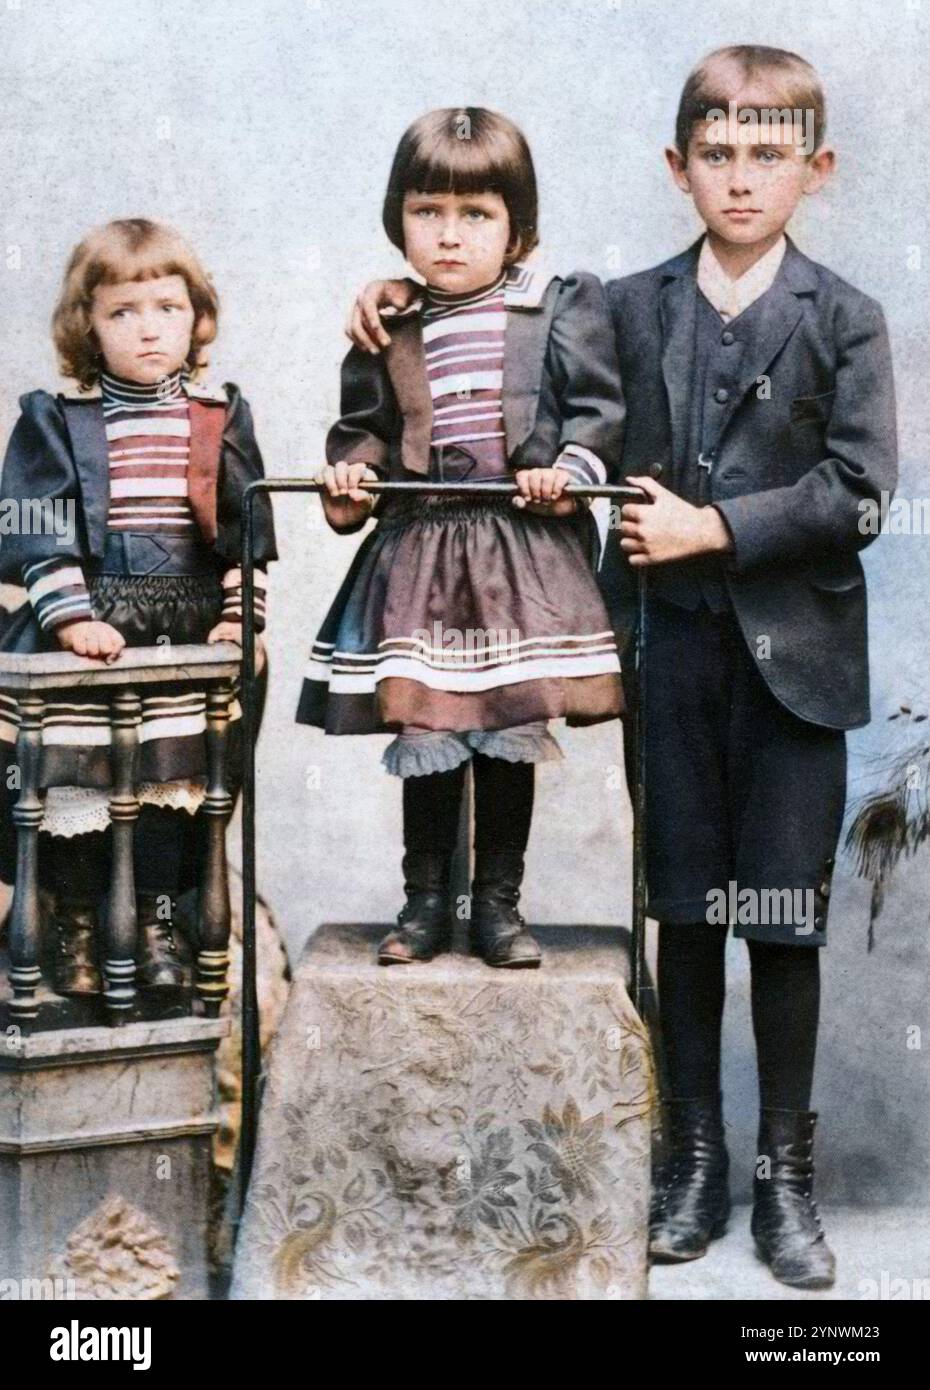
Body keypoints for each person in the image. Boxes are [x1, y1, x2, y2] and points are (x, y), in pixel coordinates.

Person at [343, 51, 898, 1289]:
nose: (742, 179)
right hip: (671, 659)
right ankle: (692, 1165)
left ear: (817, 169)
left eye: (769, 154)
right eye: (718, 153)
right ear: (677, 165)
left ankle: (784, 1184)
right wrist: (391, 299)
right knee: (688, 913)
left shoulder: (847, 315)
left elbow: (864, 494)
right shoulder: (621, 304)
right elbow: (508, 337)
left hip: (795, 669)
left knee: (784, 924)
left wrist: (718, 527)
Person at [297, 107, 625, 970]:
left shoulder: (554, 309)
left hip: (519, 549)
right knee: (432, 726)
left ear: (519, 228)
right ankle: (424, 903)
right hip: (422, 550)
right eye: (427, 213)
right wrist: (353, 474)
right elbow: (363, 426)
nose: (449, 236)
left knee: (507, 723)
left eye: (475, 215)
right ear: (397, 218)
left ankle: (499, 907)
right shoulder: (390, 324)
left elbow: (598, 412)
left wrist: (570, 473)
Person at [0, 218, 277, 996]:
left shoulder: (217, 416)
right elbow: (38, 526)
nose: (148, 328)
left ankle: (157, 922)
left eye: (167, 308)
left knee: (172, 783)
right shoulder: (60, 418)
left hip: (184, 632)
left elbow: (244, 532)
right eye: (123, 312)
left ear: (197, 318)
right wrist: (69, 618)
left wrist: (240, 618)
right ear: (86, 323)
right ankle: (79, 922)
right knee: (83, 780)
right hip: (91, 630)